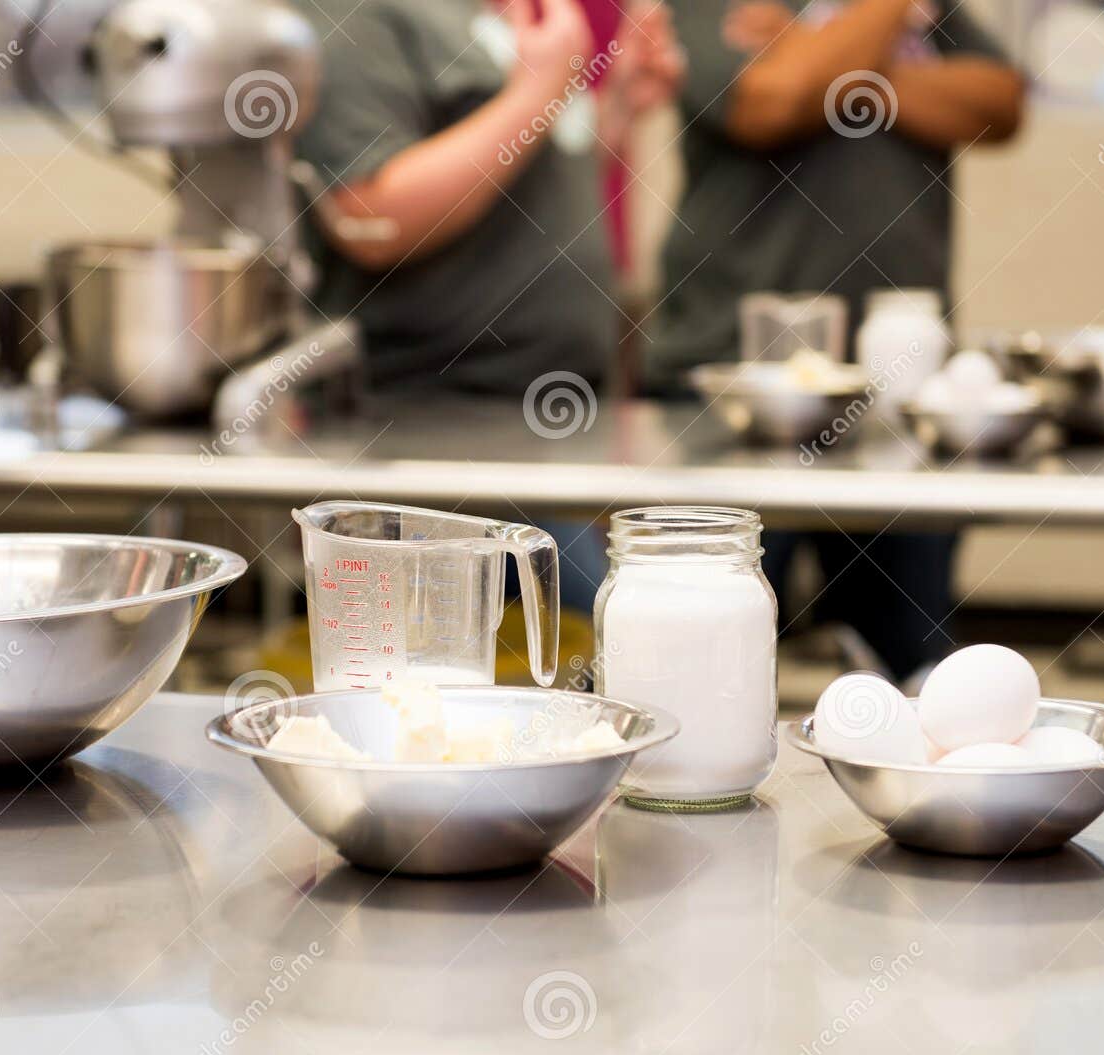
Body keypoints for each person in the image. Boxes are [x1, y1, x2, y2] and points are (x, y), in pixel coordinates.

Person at [652, 0, 1025, 681]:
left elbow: (1001, 103)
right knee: (705, 656)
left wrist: (818, 54)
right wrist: (884, 20)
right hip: (731, 388)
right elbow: (770, 102)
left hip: (899, 395)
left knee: (912, 664)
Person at [292, 0, 685, 395]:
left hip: (552, 395)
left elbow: (527, 182)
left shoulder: (488, 17)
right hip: (431, 399)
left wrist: (618, 105)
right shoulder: (356, 15)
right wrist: (535, 95)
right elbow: (368, 219)